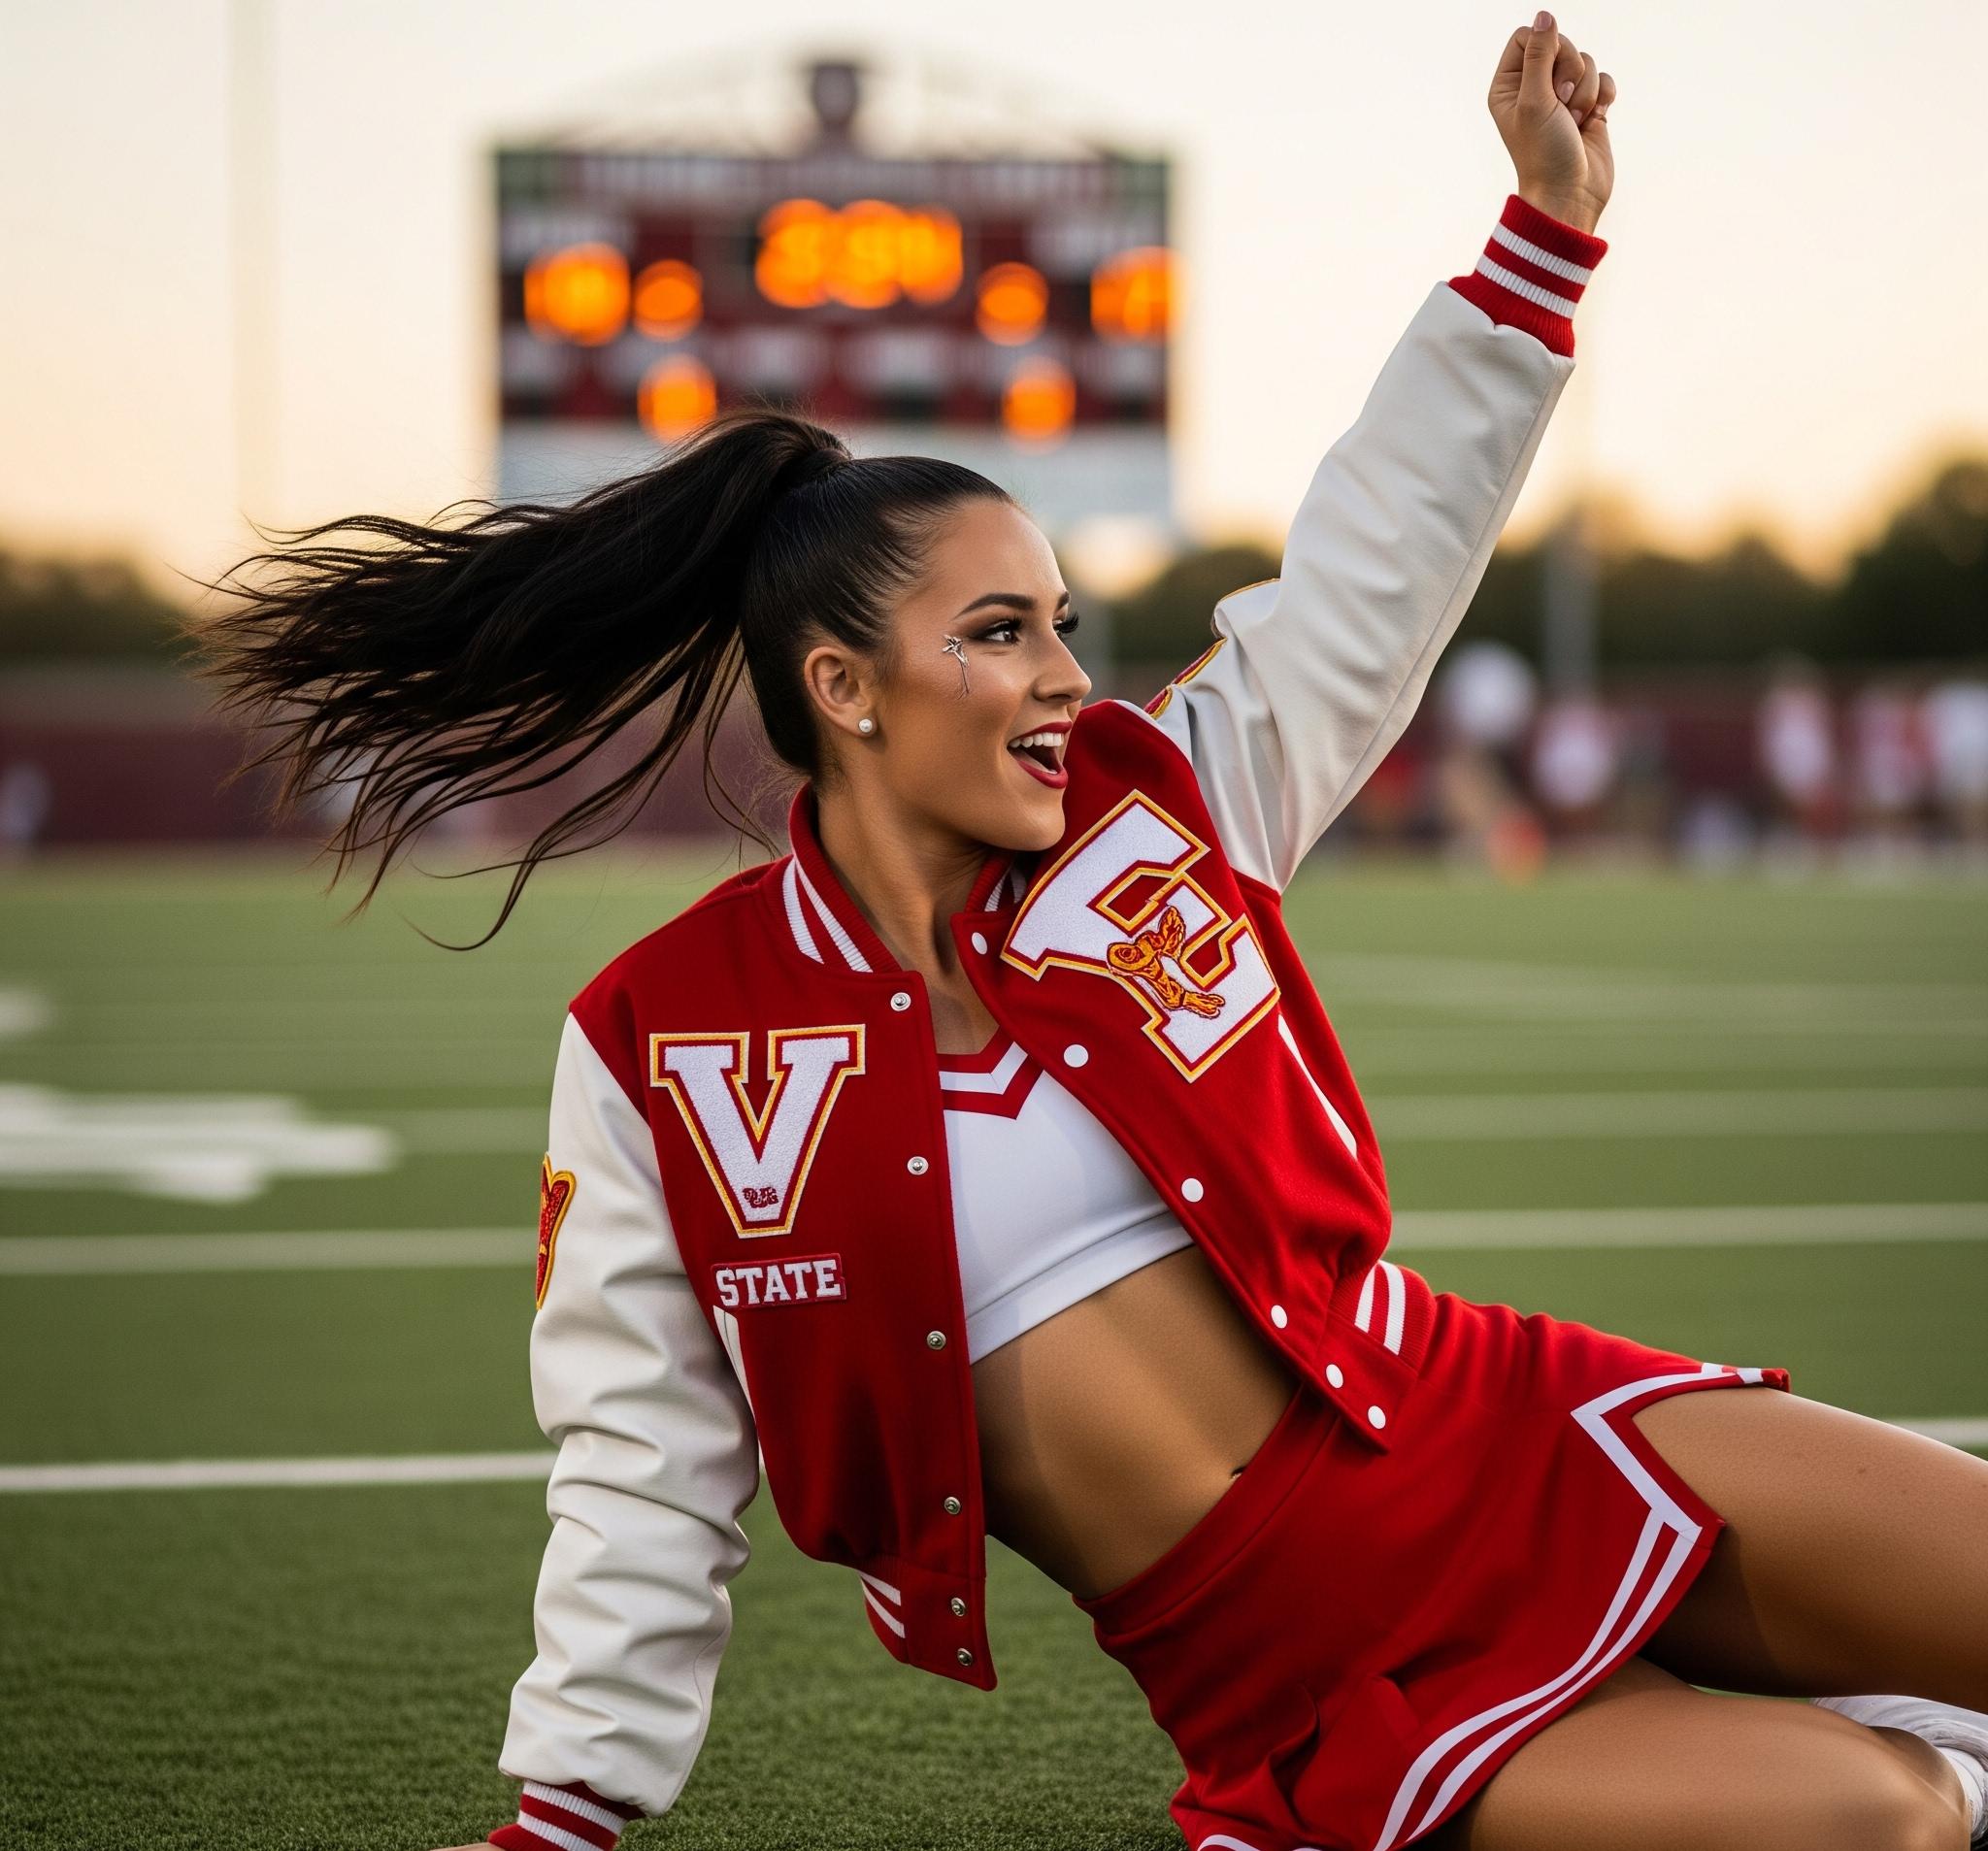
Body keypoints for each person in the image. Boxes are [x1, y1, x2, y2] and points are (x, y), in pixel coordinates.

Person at [187, 17, 1988, 1851]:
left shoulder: (1162, 808)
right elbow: (643, 1473)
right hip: (1306, 1665)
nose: (1064, 676)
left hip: (1516, 1425)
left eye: (1059, 618)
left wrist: (1539, 238)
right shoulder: (667, 1045)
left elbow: (1370, 578)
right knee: (1892, 1818)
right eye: (999, 634)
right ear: (847, 688)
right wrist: (565, 1818)